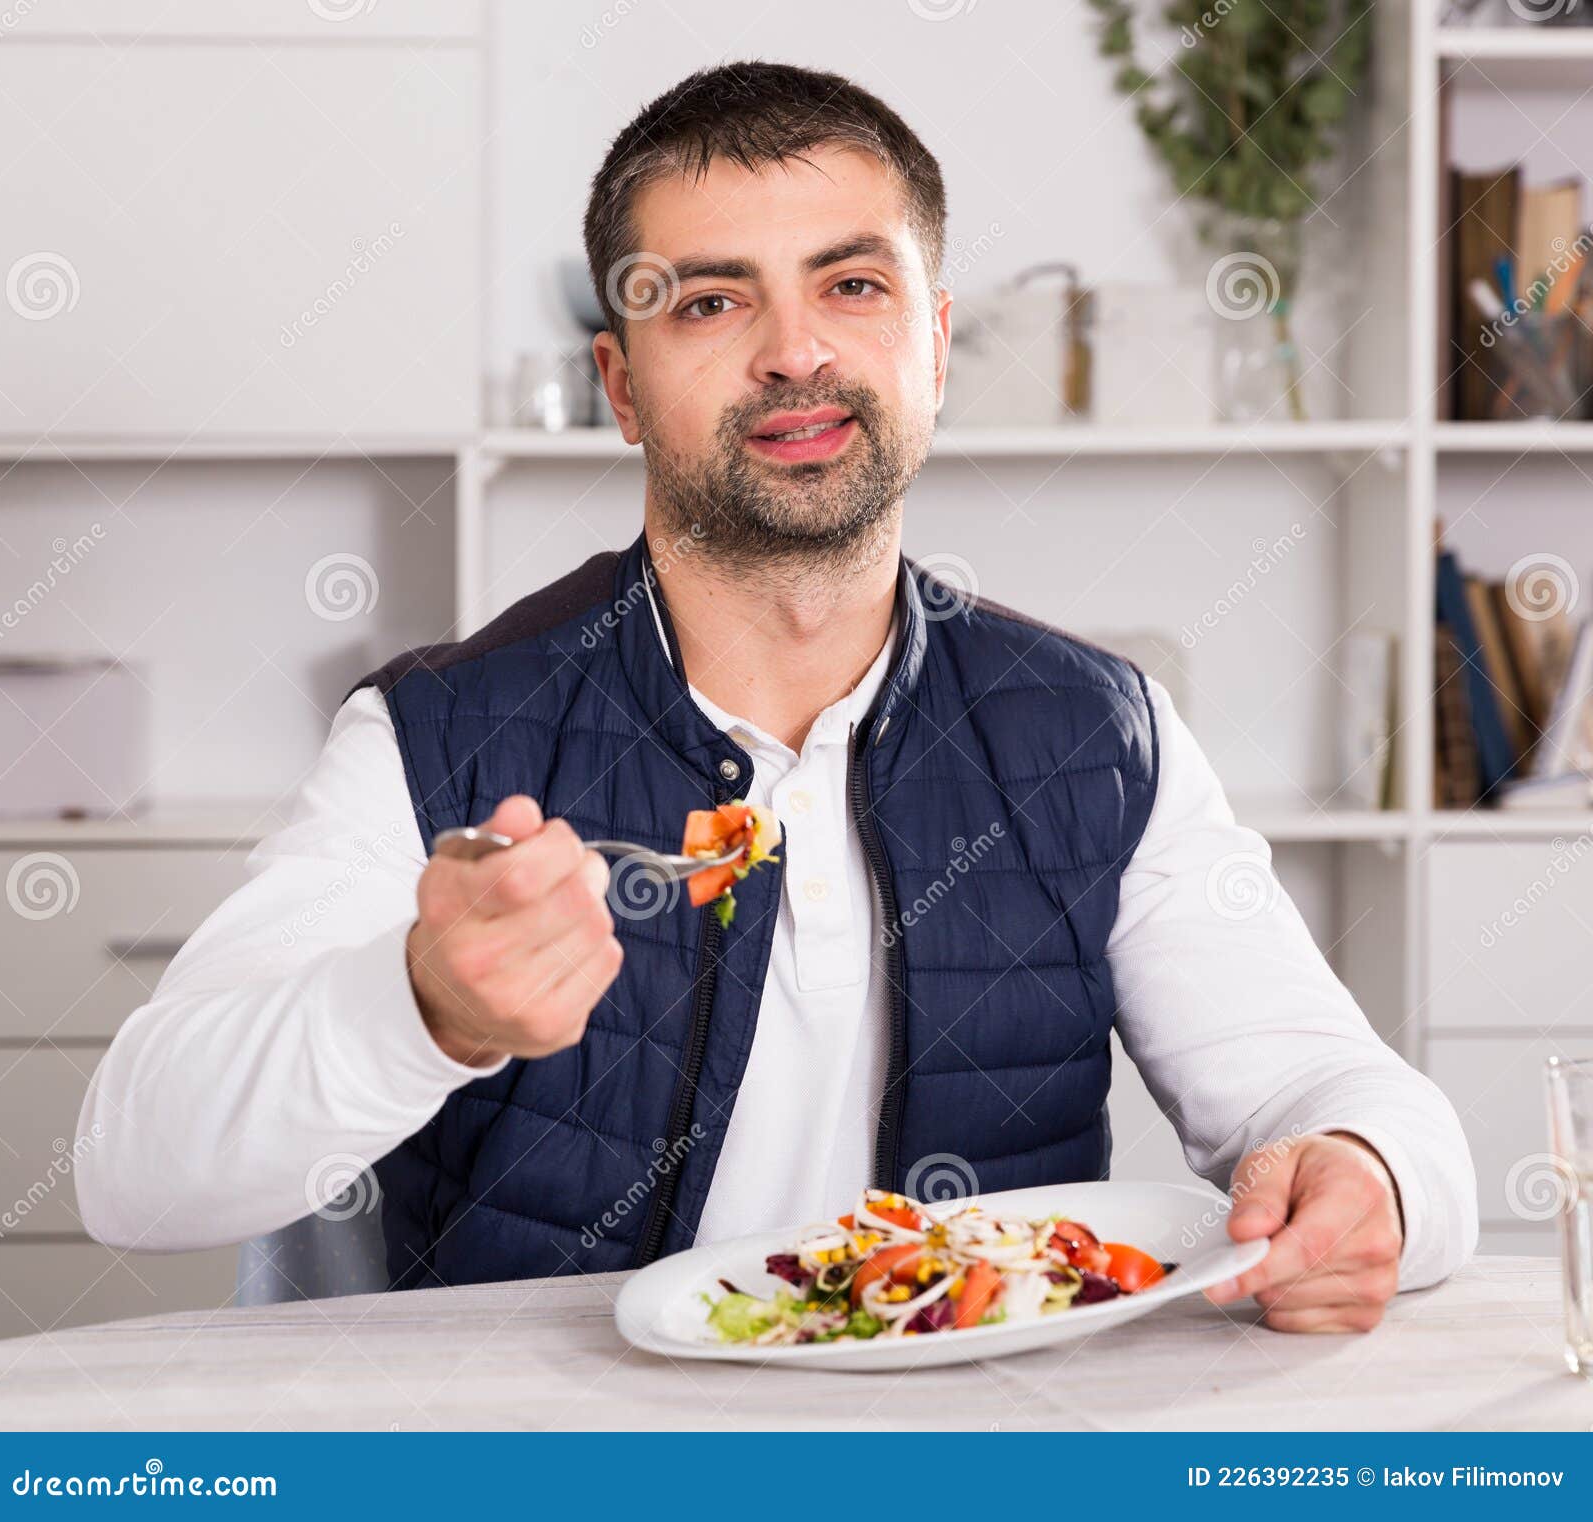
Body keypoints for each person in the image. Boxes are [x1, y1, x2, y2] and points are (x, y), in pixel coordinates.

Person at [77, 60, 1476, 1334]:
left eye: (851, 287)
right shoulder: (435, 736)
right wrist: (420, 1006)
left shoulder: (1097, 733)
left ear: (933, 344)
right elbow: (131, 1171)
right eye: (710, 299)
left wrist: (1369, 1176)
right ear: (621, 385)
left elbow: (1343, 1095)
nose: (794, 350)